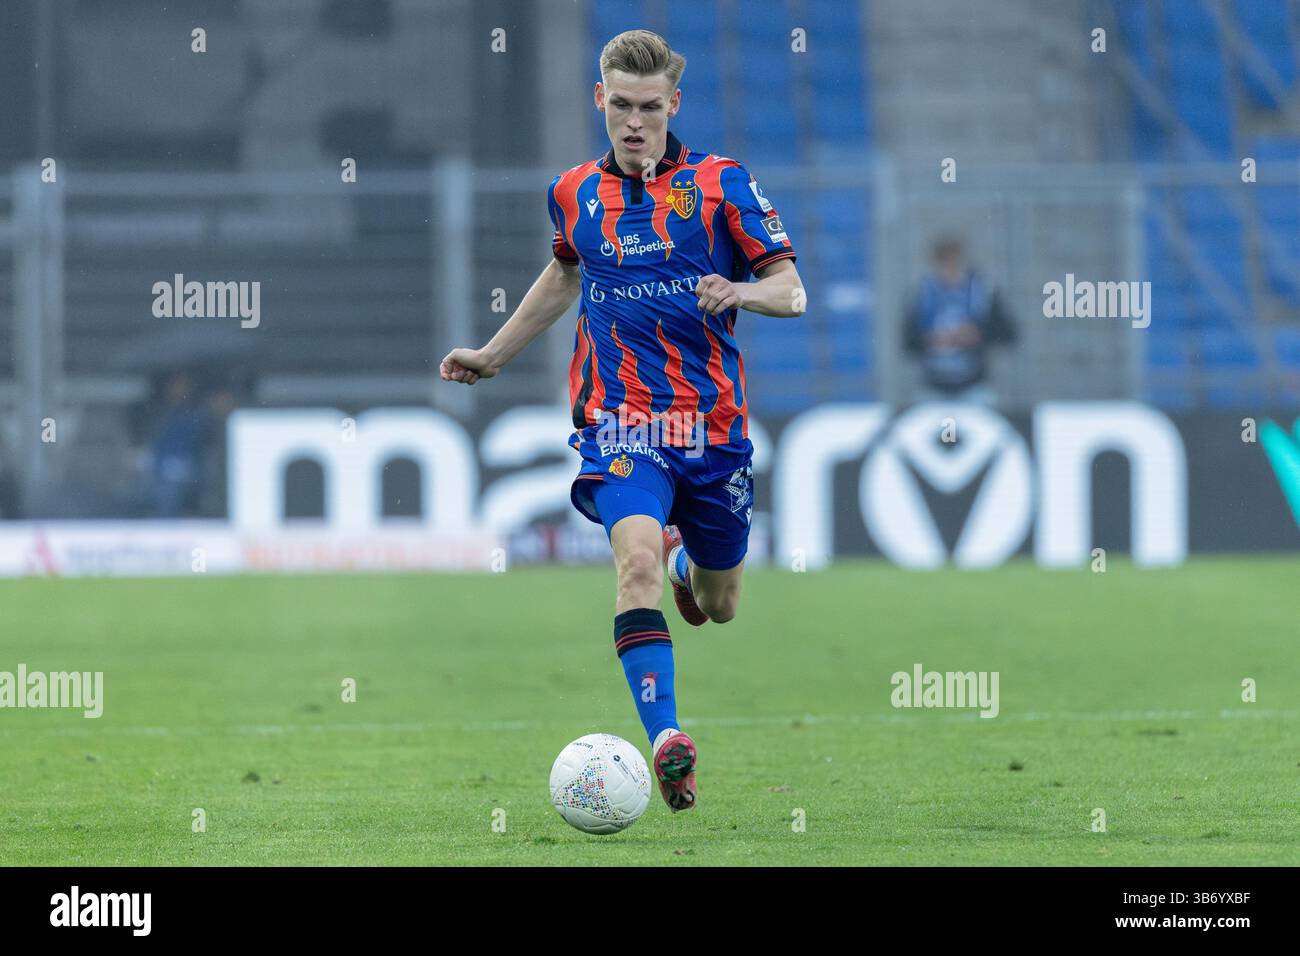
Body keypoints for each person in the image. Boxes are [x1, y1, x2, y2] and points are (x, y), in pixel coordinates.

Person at [440, 30, 803, 813]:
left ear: (673, 105)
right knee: (632, 560)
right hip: (622, 427)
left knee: (721, 601)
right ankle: (668, 738)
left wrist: (739, 292)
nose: (635, 123)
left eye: (651, 108)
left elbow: (792, 291)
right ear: (599, 101)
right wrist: (495, 353)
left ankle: (688, 571)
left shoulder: (721, 184)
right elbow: (566, 271)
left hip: (712, 433)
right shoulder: (573, 191)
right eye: (622, 107)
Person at [903, 237, 1015, 404]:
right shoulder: (923, 295)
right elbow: (907, 342)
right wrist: (930, 340)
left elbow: (1009, 334)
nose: (949, 270)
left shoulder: (983, 292)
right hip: (933, 389)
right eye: (944, 264)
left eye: (954, 263)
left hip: (975, 388)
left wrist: (977, 335)